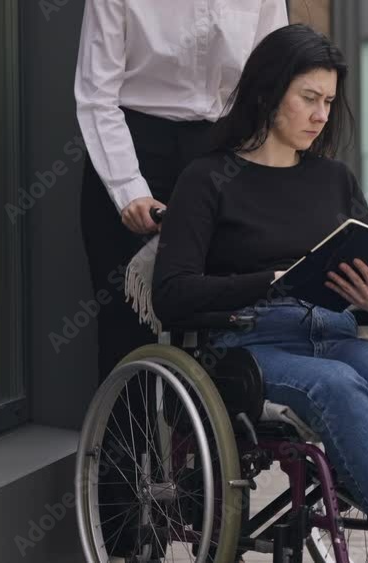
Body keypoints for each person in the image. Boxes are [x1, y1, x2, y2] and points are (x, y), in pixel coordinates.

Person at [153, 24, 368, 563]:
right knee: (340, 384)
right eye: (309, 99)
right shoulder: (207, 178)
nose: (321, 115)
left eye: (329, 102)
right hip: (250, 345)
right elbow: (171, 293)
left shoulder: (334, 179)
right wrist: (266, 281)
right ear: (267, 94)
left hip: (334, 331)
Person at [74, 0, 288, 381]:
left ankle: (208, 438)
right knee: (127, 319)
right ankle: (124, 440)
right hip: (131, 144)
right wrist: (128, 189)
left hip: (223, 149)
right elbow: (97, 95)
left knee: (227, 307)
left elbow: (271, 82)